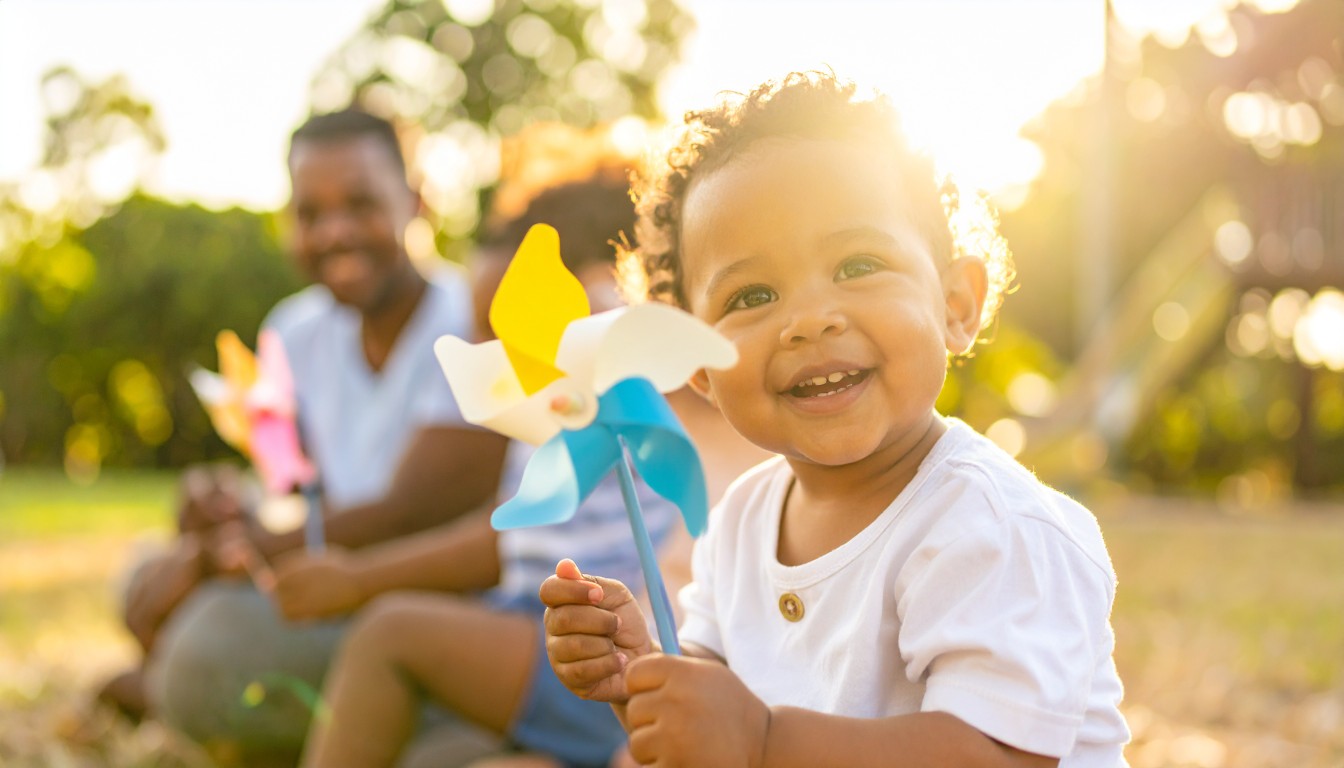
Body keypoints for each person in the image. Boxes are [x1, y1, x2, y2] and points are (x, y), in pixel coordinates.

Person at [540, 71, 1131, 768]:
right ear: (696, 364)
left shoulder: (993, 526)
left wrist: (761, 742)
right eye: (753, 293)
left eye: (858, 264)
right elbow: (716, 694)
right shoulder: (741, 520)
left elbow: (993, 756)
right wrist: (646, 666)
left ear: (956, 303)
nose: (809, 319)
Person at [104, 109, 509, 763]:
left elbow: (413, 510)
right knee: (138, 573)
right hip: (330, 583)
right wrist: (229, 513)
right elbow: (298, 494)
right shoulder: (294, 331)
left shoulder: (471, 317)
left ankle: (412, 722)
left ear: (416, 201)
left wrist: (224, 554)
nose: (335, 233)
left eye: (360, 204)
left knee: (202, 649)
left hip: (419, 599)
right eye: (311, 213)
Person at [285, 138, 682, 768]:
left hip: (611, 650)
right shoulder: (554, 412)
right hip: (544, 636)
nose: (483, 349)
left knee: (391, 631)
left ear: (599, 299)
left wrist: (356, 579)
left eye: (496, 330)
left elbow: (508, 537)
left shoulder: (612, 386)